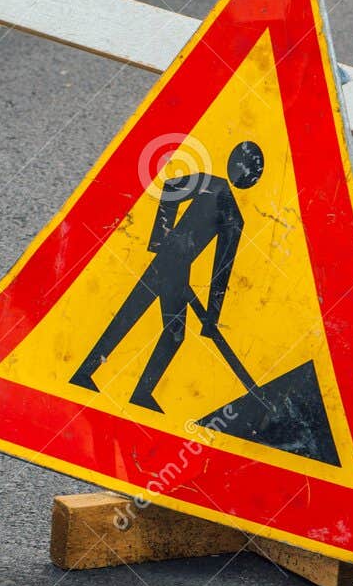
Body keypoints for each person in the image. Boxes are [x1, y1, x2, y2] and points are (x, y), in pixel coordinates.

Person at [70, 139, 265, 411]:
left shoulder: (226, 204)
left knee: (135, 317)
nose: (245, 174)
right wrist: (160, 241)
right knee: (157, 326)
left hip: (175, 267)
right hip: (171, 264)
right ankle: (129, 389)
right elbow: (171, 187)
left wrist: (211, 317)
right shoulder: (219, 196)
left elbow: (221, 270)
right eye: (248, 169)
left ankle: (94, 376)